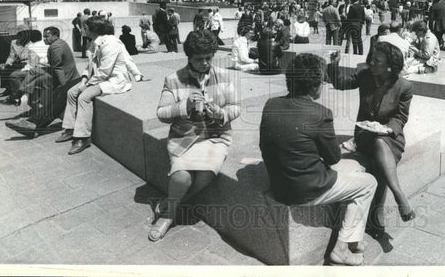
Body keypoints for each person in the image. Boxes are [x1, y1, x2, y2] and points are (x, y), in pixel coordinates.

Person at [260, 53, 377, 266]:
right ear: (315, 87)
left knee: (357, 168)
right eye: (321, 81)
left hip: (280, 184)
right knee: (369, 183)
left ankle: (354, 238)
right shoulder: (320, 113)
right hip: (306, 188)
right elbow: (332, 158)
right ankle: (341, 249)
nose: (322, 86)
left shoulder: (271, 104)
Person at [148, 30, 240, 241]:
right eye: (199, 59)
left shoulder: (224, 76)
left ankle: (170, 209)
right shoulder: (173, 79)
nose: (205, 63)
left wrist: (222, 113)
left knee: (207, 173)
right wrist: (184, 106)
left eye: (209, 57)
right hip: (184, 137)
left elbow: (236, 107)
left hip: (215, 136)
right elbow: (161, 114)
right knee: (182, 176)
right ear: (188, 57)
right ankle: (170, 215)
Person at [327, 42, 416, 236]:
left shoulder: (404, 86)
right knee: (377, 146)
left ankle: (382, 211)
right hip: (365, 134)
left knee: (380, 146)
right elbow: (341, 83)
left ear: (390, 65)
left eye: (377, 60)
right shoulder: (365, 76)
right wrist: (333, 66)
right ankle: (397, 199)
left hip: (391, 138)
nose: (371, 62)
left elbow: (400, 118)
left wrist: (387, 129)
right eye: (371, 58)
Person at [56, 17, 133, 155]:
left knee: (84, 97)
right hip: (98, 78)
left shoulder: (111, 44)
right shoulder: (94, 42)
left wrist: (86, 86)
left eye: (85, 28)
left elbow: (105, 71)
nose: (83, 30)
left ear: (94, 30)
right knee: (71, 92)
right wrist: (84, 79)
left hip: (114, 80)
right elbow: (89, 66)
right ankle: (70, 128)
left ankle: (82, 137)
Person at [5, 27, 81, 137]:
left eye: (47, 36)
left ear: (55, 36)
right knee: (37, 76)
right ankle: (34, 128)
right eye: (44, 36)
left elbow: (58, 69)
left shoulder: (55, 47)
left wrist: (63, 87)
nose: (44, 38)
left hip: (68, 80)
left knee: (45, 88)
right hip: (68, 78)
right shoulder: (59, 43)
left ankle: (30, 119)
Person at [6, 30, 50, 105]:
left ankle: (21, 95)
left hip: (38, 69)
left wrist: (24, 69)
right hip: (46, 68)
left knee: (14, 75)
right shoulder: (45, 44)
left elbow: (32, 65)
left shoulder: (32, 47)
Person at [0, 26, 31, 100]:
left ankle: (18, 94)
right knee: (3, 69)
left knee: (14, 73)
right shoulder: (14, 42)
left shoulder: (30, 43)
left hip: (27, 64)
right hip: (18, 62)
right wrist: (6, 63)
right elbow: (11, 56)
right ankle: (8, 89)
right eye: (20, 35)